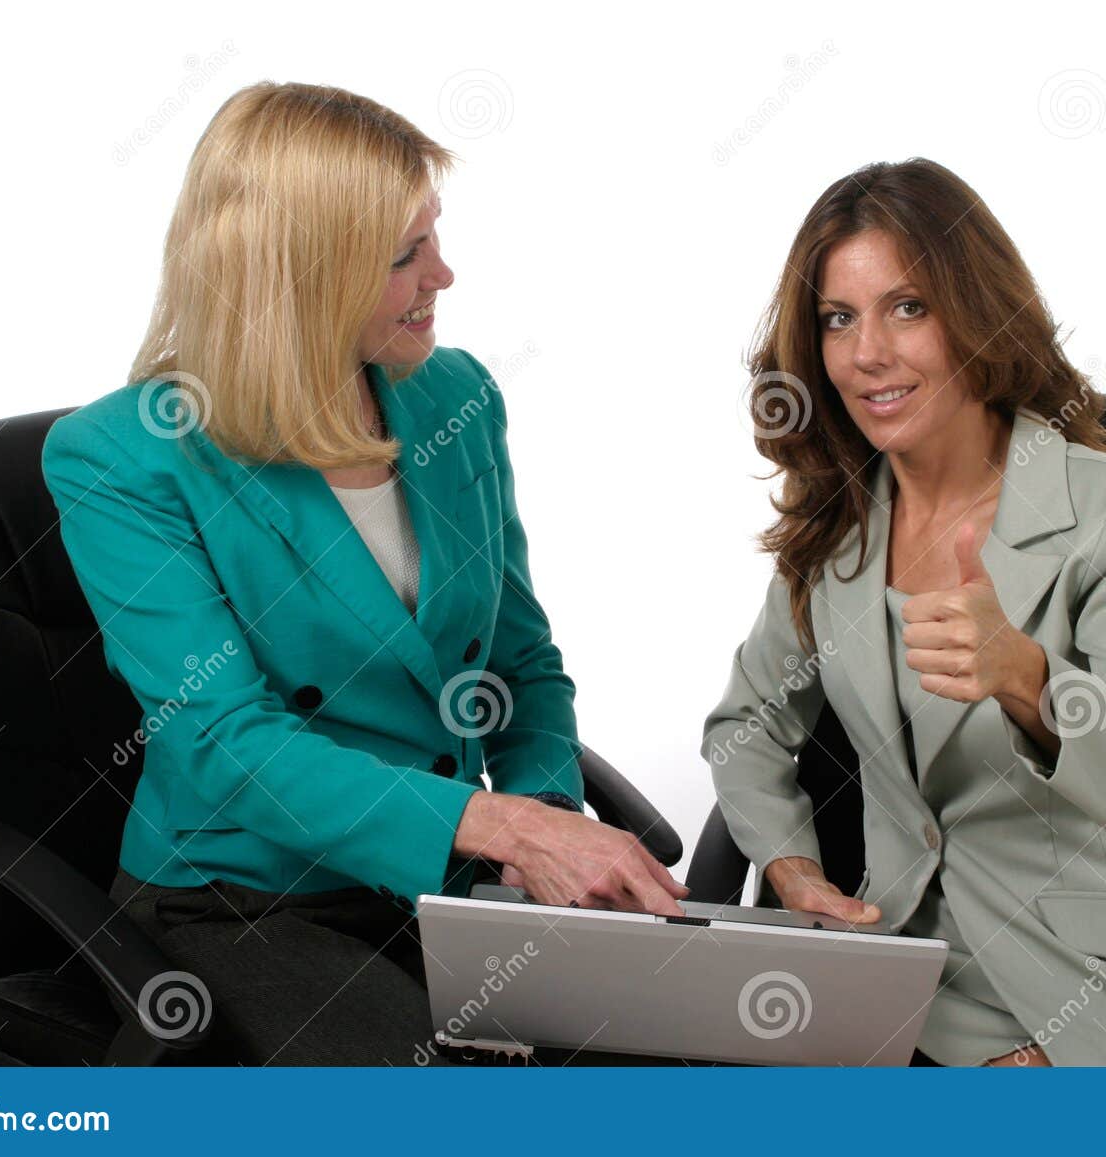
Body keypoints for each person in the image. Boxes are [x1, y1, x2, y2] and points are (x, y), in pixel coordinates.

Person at [42, 81, 686, 1066]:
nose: (446, 273)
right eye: (404, 255)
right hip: (243, 899)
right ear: (298, 274)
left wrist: (546, 822)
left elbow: (519, 660)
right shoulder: (123, 456)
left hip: (449, 886)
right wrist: (498, 824)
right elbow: (222, 740)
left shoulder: (453, 395)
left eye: (435, 234)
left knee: (681, 1056)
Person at [701, 158, 1106, 1067]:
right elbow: (745, 726)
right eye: (839, 318)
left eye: (907, 307)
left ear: (978, 311)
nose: (867, 351)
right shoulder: (838, 525)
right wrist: (792, 869)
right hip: (901, 983)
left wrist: (1028, 677)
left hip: (1093, 993)